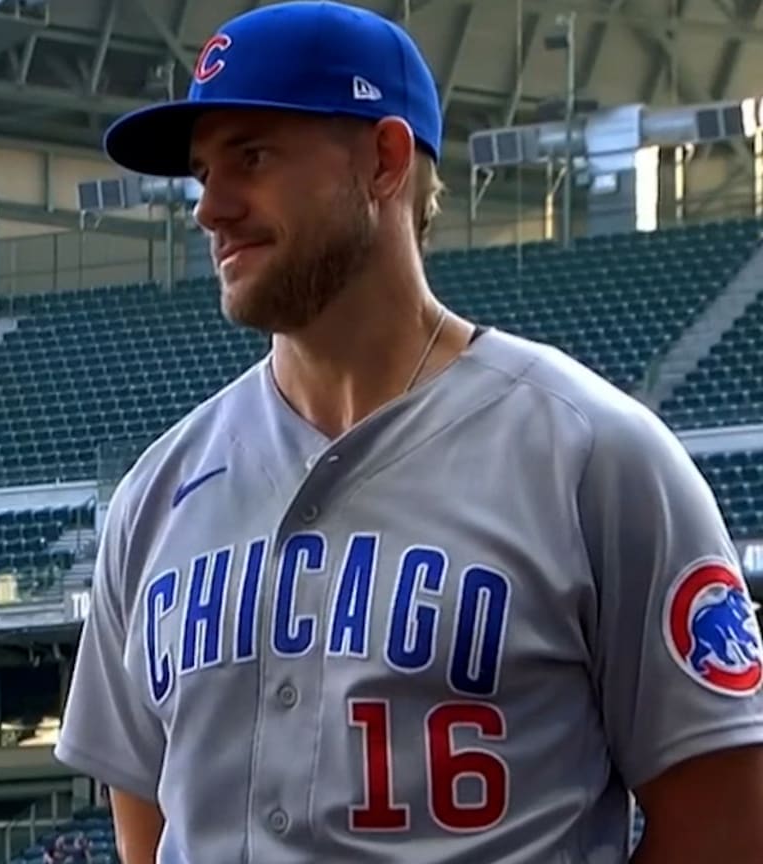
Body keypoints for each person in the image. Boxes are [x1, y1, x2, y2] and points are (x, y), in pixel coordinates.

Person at [54, 4, 763, 864]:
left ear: (385, 161)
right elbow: (145, 821)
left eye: (252, 156)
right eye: (202, 171)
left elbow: (727, 820)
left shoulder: (595, 457)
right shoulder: (157, 492)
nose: (211, 208)